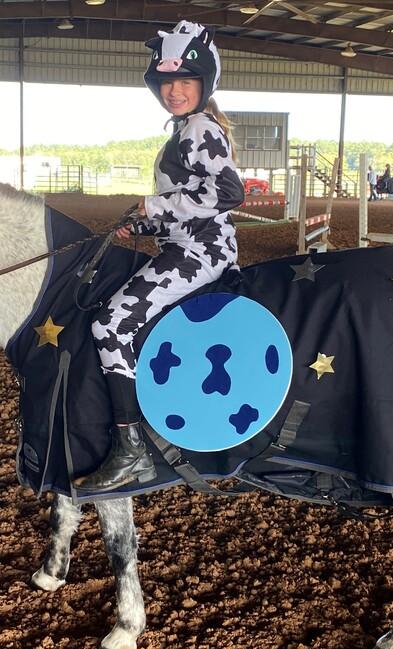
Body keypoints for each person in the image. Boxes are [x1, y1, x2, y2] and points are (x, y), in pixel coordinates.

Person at [77, 20, 245, 493]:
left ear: (204, 84)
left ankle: (131, 451)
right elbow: (188, 205)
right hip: (186, 243)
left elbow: (228, 193)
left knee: (109, 325)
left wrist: (155, 206)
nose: (174, 91)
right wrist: (145, 224)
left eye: (185, 81)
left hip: (201, 252)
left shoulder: (199, 128)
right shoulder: (186, 130)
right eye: (166, 82)